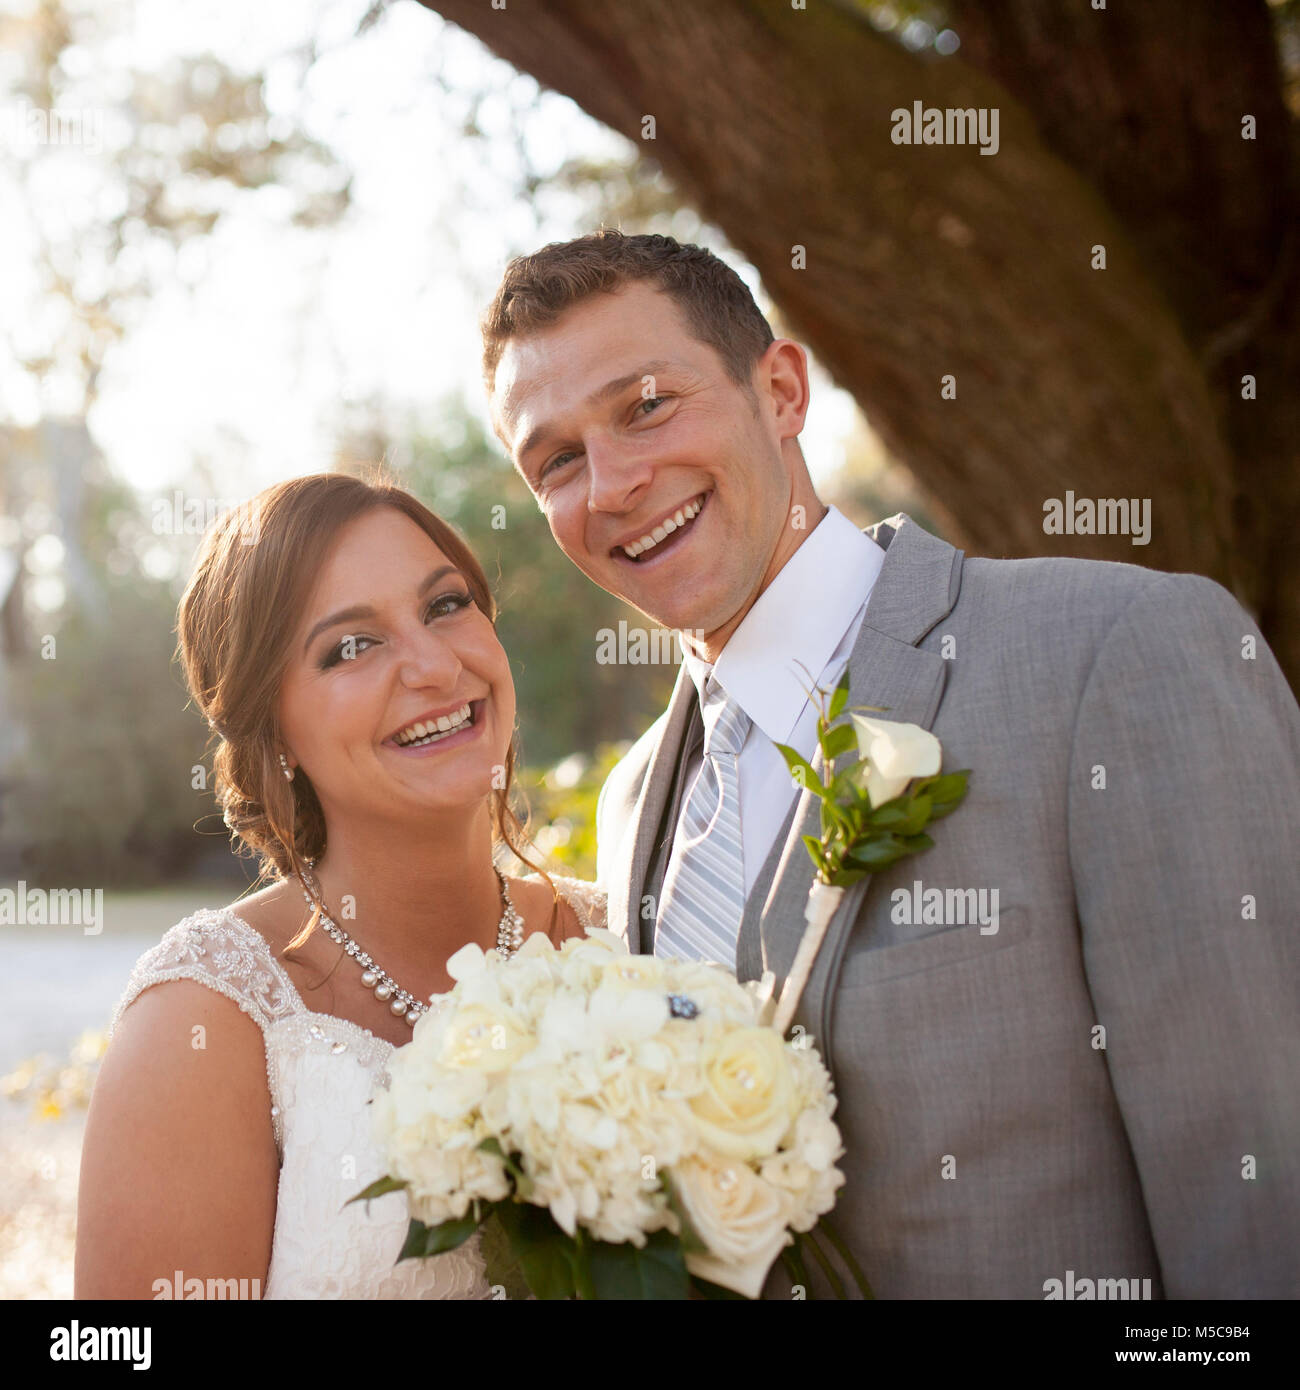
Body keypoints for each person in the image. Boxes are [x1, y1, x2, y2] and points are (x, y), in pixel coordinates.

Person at [483, 228, 1300, 1298]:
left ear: (779, 389)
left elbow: (1258, 1196)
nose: (615, 483)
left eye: (646, 405)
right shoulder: (637, 798)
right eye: (556, 461)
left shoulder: (1112, 654)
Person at [76, 474, 603, 1299]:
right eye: (351, 647)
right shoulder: (207, 1016)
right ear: (273, 730)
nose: (433, 666)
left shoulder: (622, 938)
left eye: (444, 606)